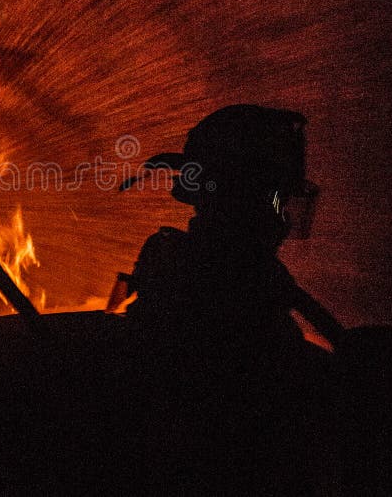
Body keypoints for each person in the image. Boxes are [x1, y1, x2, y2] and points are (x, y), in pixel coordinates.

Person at [121, 104, 345, 493]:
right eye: (275, 200)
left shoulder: (191, 271)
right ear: (240, 197)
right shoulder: (232, 291)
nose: (284, 218)